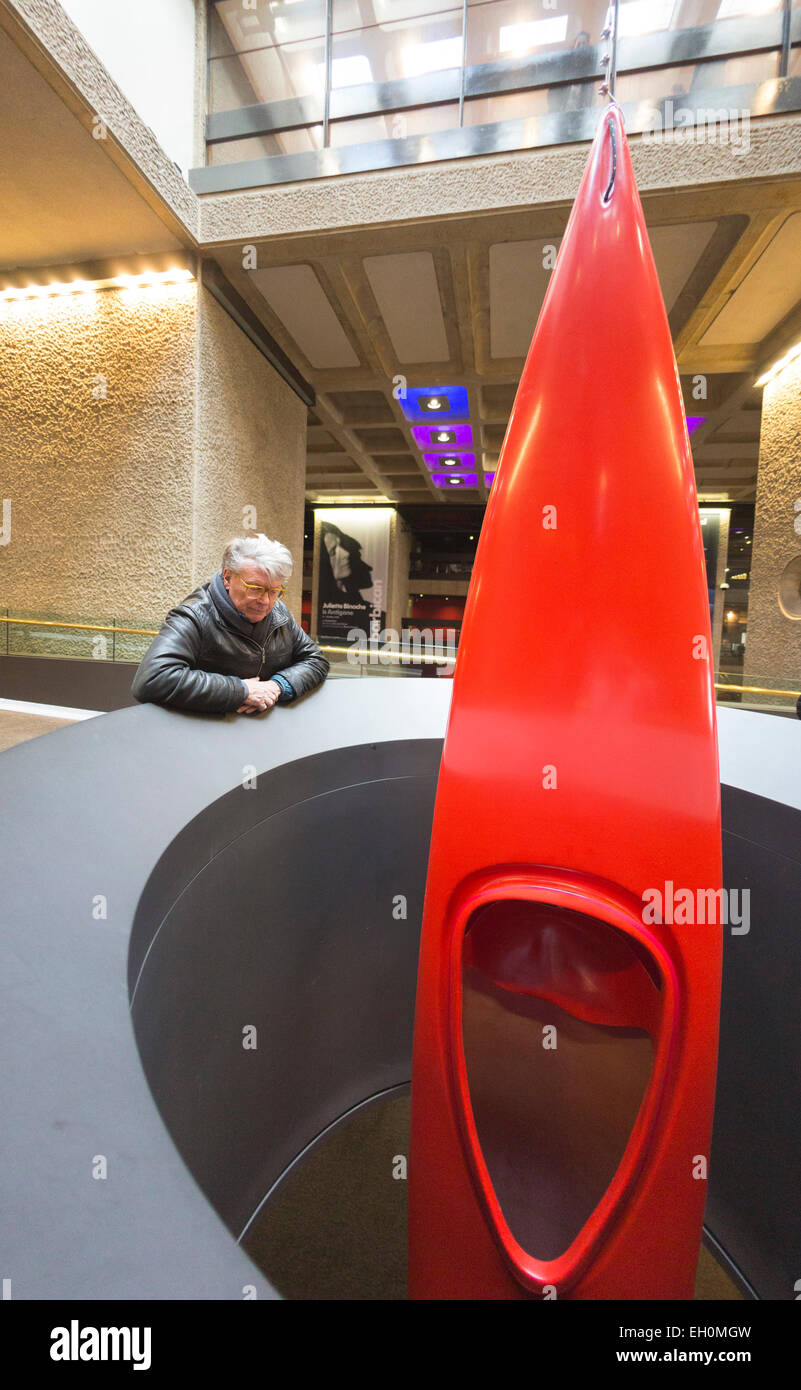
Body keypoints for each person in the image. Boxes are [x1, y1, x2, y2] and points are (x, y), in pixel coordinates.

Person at [131, 534, 328, 715]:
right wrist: (241, 691)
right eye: (255, 588)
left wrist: (278, 686)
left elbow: (316, 659)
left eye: (274, 591)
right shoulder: (194, 615)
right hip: (205, 736)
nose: (266, 601)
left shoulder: (279, 613)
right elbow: (153, 678)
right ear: (227, 577)